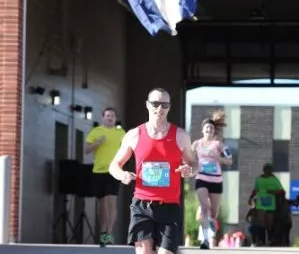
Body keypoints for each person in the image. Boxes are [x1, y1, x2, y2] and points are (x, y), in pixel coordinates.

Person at [109, 87, 197, 254]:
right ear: (148, 105)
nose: (160, 109)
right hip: (142, 205)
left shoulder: (181, 135)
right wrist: (123, 175)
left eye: (165, 105)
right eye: (156, 104)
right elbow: (114, 165)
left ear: (169, 107)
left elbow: (194, 163)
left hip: (169, 205)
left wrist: (190, 170)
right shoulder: (134, 135)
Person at [85, 107, 125, 246]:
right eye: (107, 115)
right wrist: (97, 143)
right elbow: (86, 150)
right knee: (102, 203)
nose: (110, 118)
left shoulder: (121, 133)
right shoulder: (96, 132)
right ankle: (103, 232)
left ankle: (109, 233)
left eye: (112, 116)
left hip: (114, 171)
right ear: (103, 117)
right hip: (98, 172)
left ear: (115, 118)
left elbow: (130, 149)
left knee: (111, 201)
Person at [192, 117, 233, 249]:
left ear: (214, 130)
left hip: (216, 180)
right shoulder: (196, 144)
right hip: (201, 178)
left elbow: (230, 161)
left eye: (211, 128)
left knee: (213, 212)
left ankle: (210, 224)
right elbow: (189, 159)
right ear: (202, 130)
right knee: (205, 208)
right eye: (207, 128)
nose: (209, 130)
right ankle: (205, 240)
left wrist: (217, 157)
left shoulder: (219, 145)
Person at [248, 163, 284, 245]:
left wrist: (273, 192)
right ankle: (261, 240)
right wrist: (250, 198)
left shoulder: (275, 180)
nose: (269, 172)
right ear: (264, 170)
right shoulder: (258, 179)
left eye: (270, 170)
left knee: (270, 224)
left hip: (271, 205)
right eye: (268, 170)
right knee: (261, 223)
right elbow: (255, 190)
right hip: (260, 205)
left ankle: (270, 239)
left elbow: (281, 191)